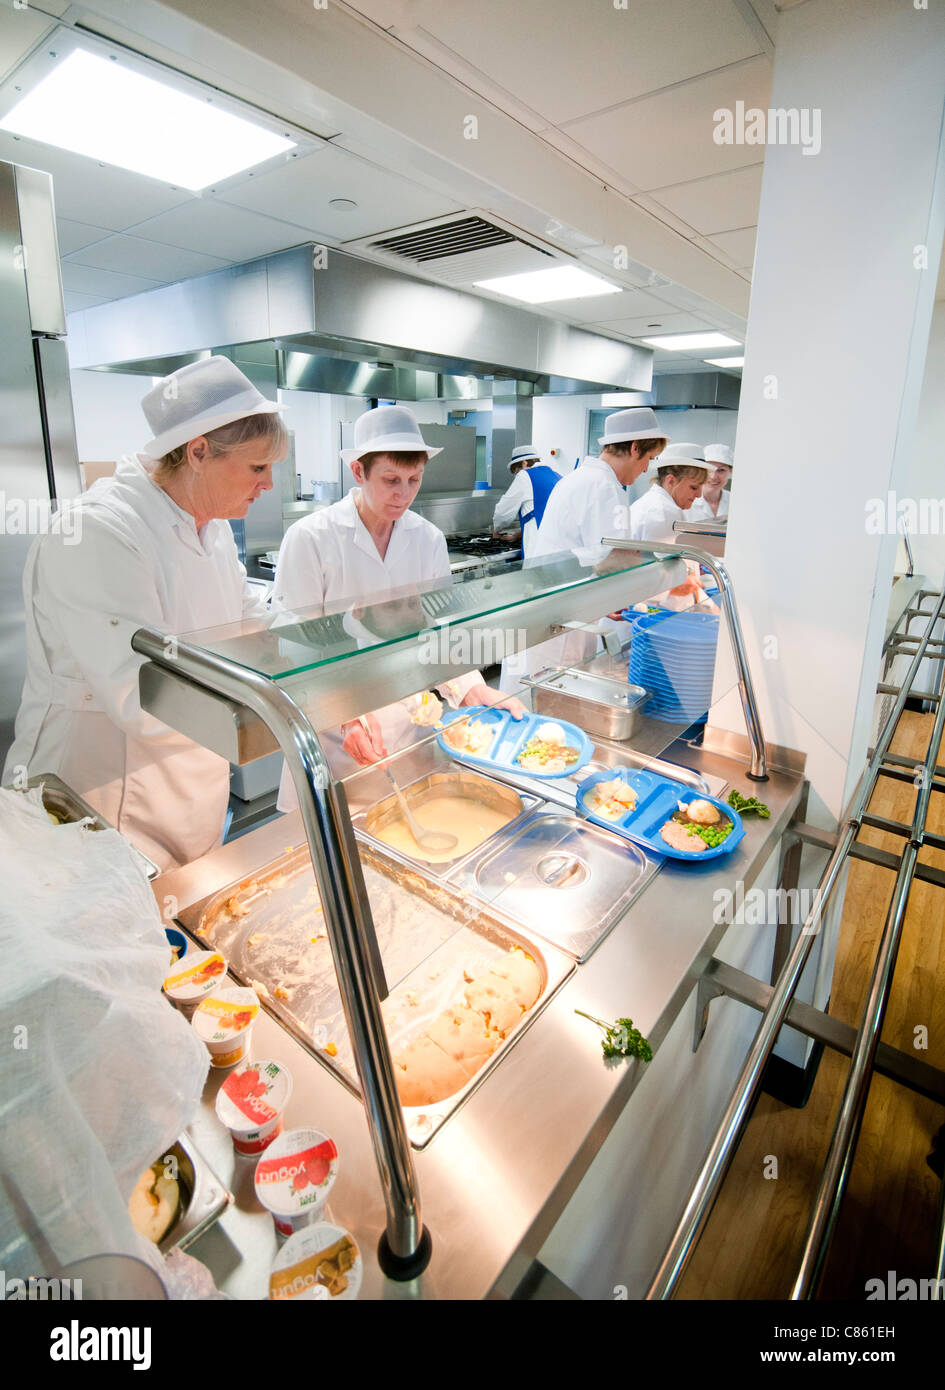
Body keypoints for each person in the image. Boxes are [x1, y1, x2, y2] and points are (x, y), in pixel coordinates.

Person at [3, 356, 288, 871]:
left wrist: (316, 643)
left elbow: (243, 616)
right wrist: (284, 714)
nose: (268, 483)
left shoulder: (212, 525)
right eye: (257, 467)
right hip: (102, 802)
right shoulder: (100, 531)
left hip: (191, 793)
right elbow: (143, 697)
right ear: (198, 451)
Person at [272, 404, 524, 798]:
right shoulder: (312, 539)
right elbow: (293, 645)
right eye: (391, 479)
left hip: (412, 726)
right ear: (358, 471)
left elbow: (439, 630)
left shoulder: (427, 539)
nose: (403, 494)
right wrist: (345, 716)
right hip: (338, 738)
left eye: (414, 479)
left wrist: (470, 688)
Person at [531, 408, 669, 564]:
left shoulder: (578, 478)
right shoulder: (607, 488)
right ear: (635, 448)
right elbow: (617, 562)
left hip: (550, 580)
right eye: (649, 458)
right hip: (568, 582)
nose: (645, 469)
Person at [628, 442, 709, 542]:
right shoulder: (664, 513)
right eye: (693, 487)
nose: (699, 495)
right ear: (671, 481)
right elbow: (664, 556)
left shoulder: (652, 503)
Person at [491, 445, 561, 558]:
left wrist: (496, 529)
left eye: (516, 470)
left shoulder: (525, 476)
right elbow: (540, 514)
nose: (517, 474)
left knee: (534, 574)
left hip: (539, 547)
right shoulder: (557, 475)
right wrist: (517, 535)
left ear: (524, 463)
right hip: (560, 545)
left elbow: (503, 511)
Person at [685, 444, 732, 521]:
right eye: (709, 469)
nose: (713, 477)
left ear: (730, 471)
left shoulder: (735, 502)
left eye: (721, 470)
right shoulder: (685, 501)